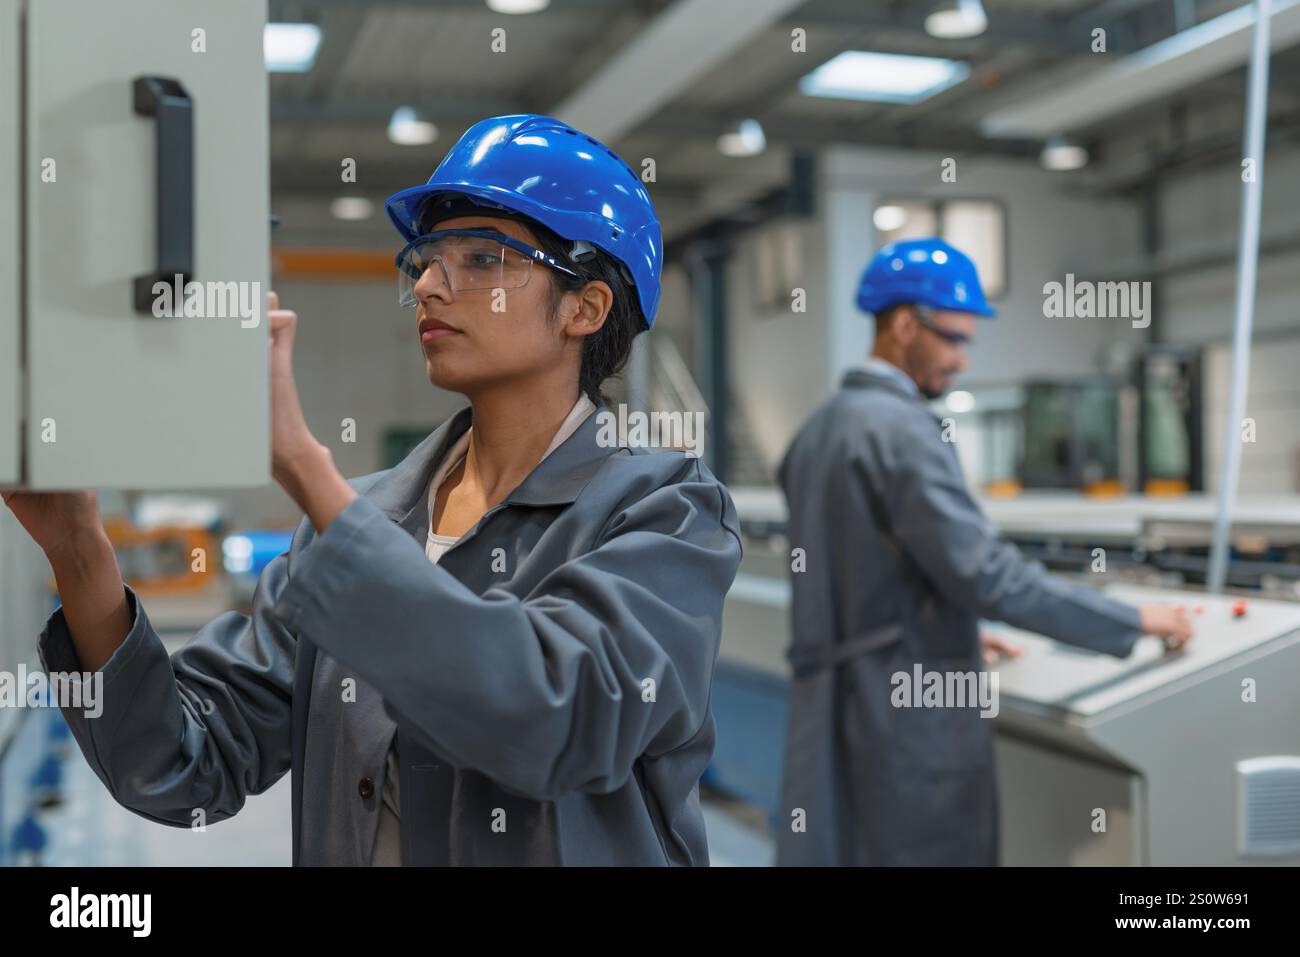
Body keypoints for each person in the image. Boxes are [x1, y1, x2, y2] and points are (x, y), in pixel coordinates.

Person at [4, 114, 742, 866]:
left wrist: (300, 462)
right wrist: (77, 548)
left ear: (586, 308)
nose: (427, 283)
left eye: (482, 258)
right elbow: (183, 764)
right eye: (425, 258)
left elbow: (556, 723)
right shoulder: (360, 521)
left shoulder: (666, 511)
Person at [774, 237, 1193, 866]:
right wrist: (1131, 619)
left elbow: (868, 573)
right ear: (904, 325)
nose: (963, 360)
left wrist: (944, 627)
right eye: (953, 339)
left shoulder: (821, 428)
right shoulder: (903, 430)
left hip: (837, 706)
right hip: (905, 722)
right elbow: (989, 576)